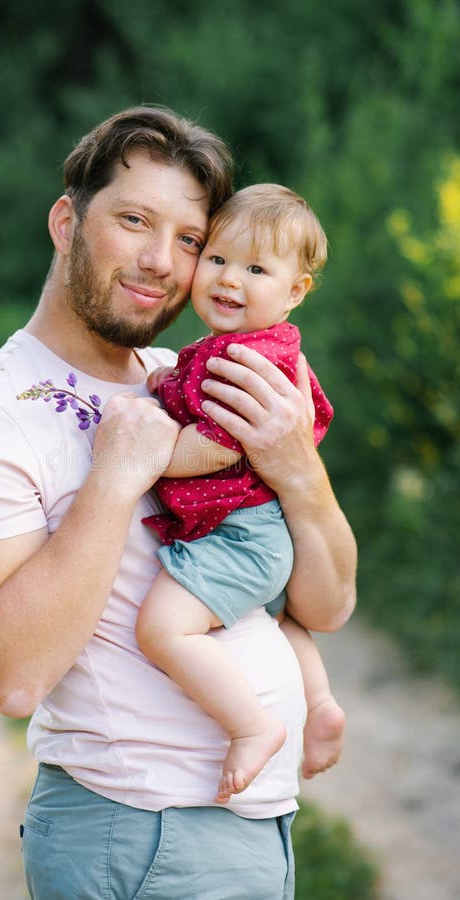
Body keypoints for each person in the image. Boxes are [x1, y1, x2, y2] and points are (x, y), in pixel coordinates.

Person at [0, 107, 356, 899]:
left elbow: (326, 606)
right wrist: (116, 478)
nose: (160, 260)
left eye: (189, 239)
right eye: (132, 220)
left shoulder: (183, 375)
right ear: (65, 222)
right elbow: (9, 682)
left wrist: (299, 473)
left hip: (248, 826)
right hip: (139, 831)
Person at [136, 183, 346, 807]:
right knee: (278, 619)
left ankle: (254, 726)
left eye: (256, 268)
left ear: (295, 291)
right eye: (219, 259)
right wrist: (169, 380)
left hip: (236, 534)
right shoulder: (269, 350)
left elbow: (223, 443)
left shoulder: (240, 359)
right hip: (263, 526)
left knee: (163, 630)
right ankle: (321, 703)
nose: (230, 279)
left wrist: (140, 457)